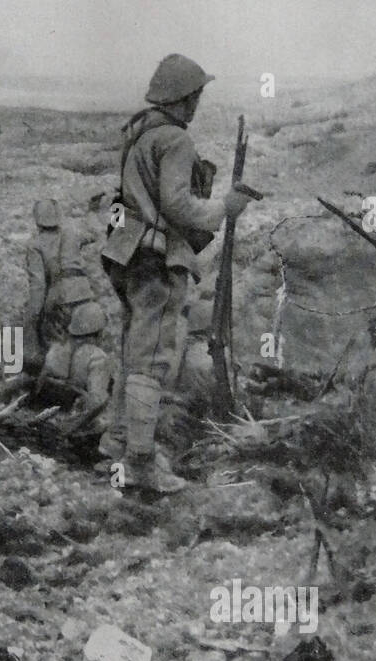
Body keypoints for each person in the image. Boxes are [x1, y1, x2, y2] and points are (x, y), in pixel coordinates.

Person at [98, 53, 254, 493]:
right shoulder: (175, 141)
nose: (198, 103)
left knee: (134, 351)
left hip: (128, 253)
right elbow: (178, 205)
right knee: (155, 357)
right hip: (157, 256)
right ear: (186, 98)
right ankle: (141, 463)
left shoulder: (138, 133)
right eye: (197, 96)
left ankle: (117, 444)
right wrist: (225, 207)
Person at [24, 198, 91, 371]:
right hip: (85, 293)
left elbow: (38, 285)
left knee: (55, 347)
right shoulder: (72, 234)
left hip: (60, 296)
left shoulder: (35, 245)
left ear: (37, 220)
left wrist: (33, 316)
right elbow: (90, 235)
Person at [35, 302, 113, 431]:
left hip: (45, 408)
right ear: (99, 332)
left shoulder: (57, 347)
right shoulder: (97, 357)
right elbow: (97, 400)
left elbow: (41, 382)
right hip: (72, 417)